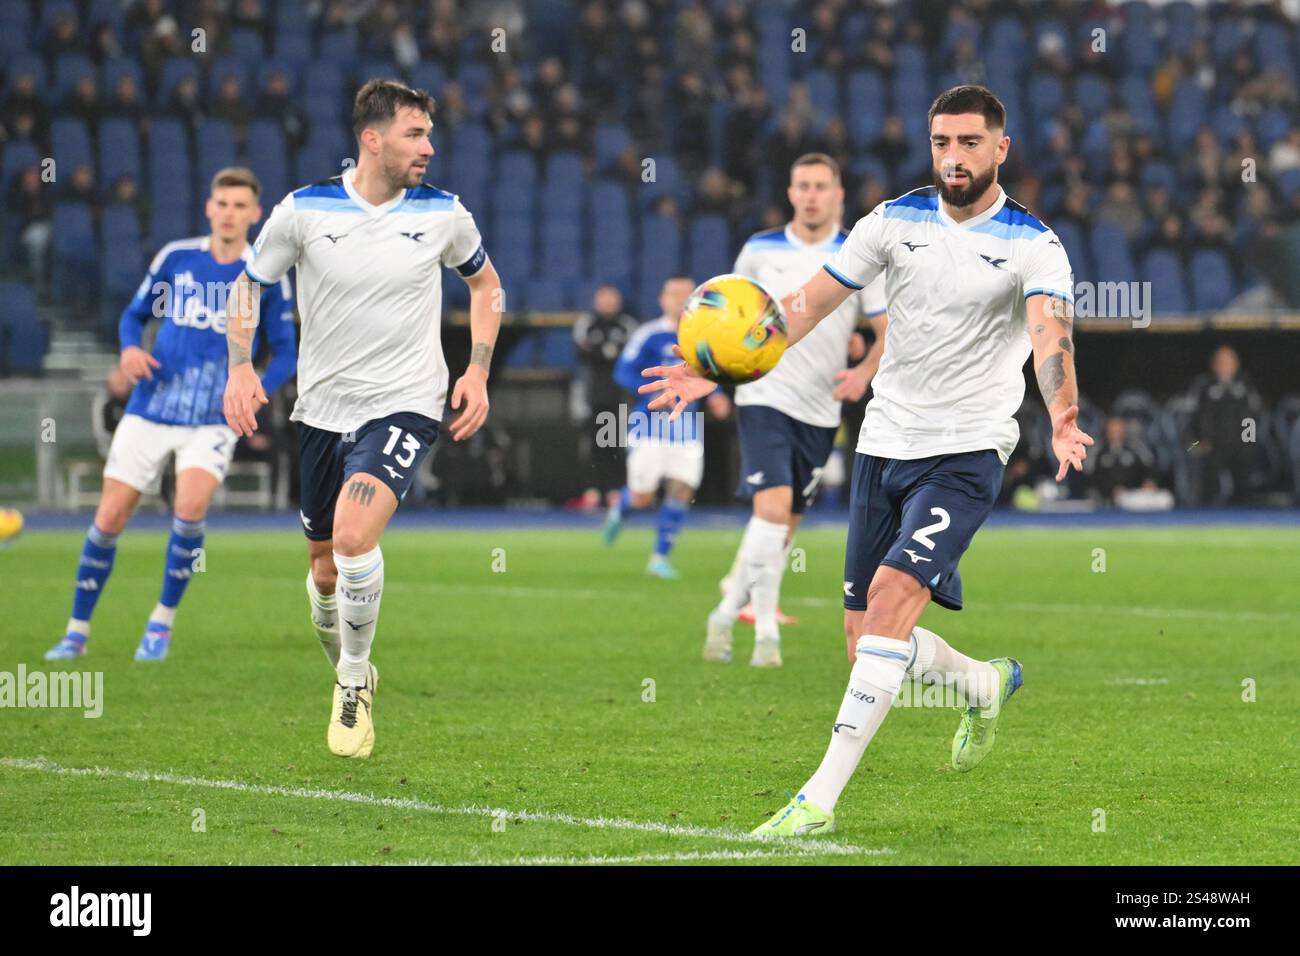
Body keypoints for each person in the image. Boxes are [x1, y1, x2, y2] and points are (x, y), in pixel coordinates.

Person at [641, 86, 1093, 836]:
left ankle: (815, 800)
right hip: (884, 444)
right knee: (865, 643)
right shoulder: (893, 221)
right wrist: (719, 366)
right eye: (943, 142)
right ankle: (980, 683)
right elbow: (807, 304)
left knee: (888, 603)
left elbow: (1052, 338)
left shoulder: (1032, 243)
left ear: (1000, 149)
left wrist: (1065, 414)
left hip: (968, 450)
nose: (954, 156)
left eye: (970, 143)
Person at [223, 80, 501, 759]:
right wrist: (239, 366)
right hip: (321, 412)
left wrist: (477, 369)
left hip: (405, 402)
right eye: (414, 134)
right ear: (371, 139)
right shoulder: (303, 211)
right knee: (323, 571)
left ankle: (352, 682)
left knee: (352, 538)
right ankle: (349, 658)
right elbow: (247, 284)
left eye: (430, 135)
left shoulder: (444, 215)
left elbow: (486, 285)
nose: (429, 148)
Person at [45, 167, 296, 662]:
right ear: (208, 207)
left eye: (239, 205)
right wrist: (128, 351)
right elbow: (134, 315)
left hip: (212, 418)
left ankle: (160, 624)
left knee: (189, 509)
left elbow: (287, 350)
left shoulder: (264, 273)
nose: (229, 213)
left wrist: (255, 390)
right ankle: (76, 631)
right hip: (151, 406)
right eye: (221, 203)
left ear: (255, 214)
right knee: (110, 517)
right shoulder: (176, 258)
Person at [707, 152, 887, 668]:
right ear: (790, 193)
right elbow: (727, 318)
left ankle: (727, 604)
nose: (811, 194)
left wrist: (864, 370)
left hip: (820, 407)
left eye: (821, 186)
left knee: (784, 525)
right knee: (772, 506)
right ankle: (765, 631)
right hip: (762, 393)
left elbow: (885, 328)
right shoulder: (758, 251)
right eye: (802, 185)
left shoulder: (856, 253)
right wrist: (715, 372)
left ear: (837, 195)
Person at [602, 276, 731, 579]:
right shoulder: (648, 334)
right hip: (648, 424)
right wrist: (657, 390)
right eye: (675, 293)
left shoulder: (705, 338)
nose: (681, 299)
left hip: (686, 425)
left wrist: (718, 396)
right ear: (662, 299)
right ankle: (622, 506)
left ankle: (659, 557)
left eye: (688, 293)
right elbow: (622, 373)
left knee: (682, 488)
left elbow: (710, 375)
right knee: (643, 496)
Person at [572, 285, 639, 506]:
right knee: (593, 444)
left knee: (616, 443)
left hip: (619, 396)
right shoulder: (587, 323)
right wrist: (608, 352)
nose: (608, 303)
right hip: (593, 396)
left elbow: (632, 355)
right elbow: (582, 351)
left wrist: (601, 351)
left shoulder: (627, 324)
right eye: (604, 299)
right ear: (596, 300)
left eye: (612, 298)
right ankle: (592, 490)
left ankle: (614, 489)